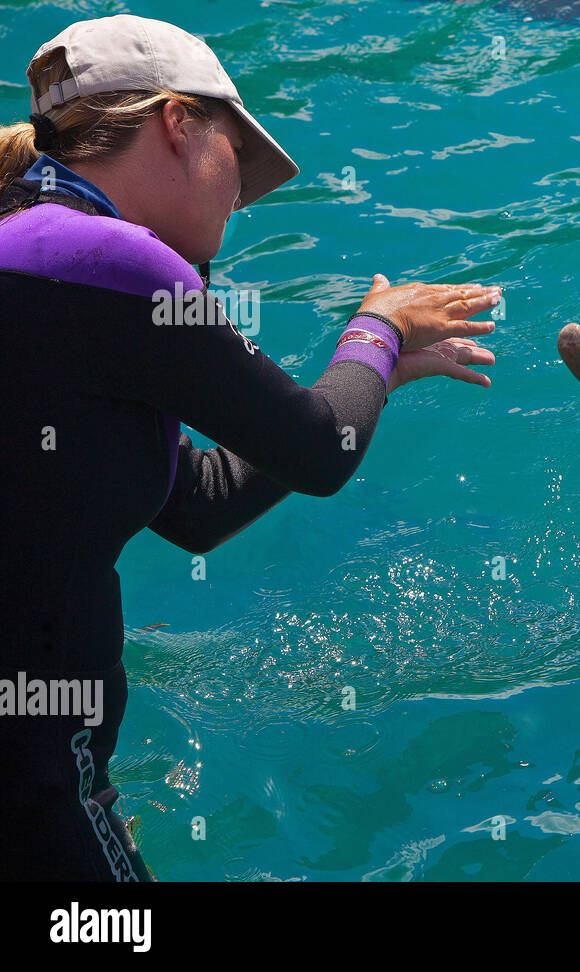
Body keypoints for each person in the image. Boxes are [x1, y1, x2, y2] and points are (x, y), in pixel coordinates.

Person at [0, 14, 499, 880]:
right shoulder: (109, 261)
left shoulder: (36, 248)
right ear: (176, 123)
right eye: (238, 154)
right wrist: (377, 328)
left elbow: (194, 504)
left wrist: (378, 374)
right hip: (29, 767)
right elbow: (320, 449)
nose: (239, 198)